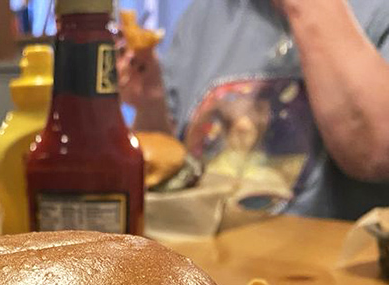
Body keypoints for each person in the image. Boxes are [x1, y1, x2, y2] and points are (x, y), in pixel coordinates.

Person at [118, 0, 389, 219]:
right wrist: (151, 102)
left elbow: (376, 154)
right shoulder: (202, 14)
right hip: (206, 270)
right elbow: (173, 179)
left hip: (330, 279)